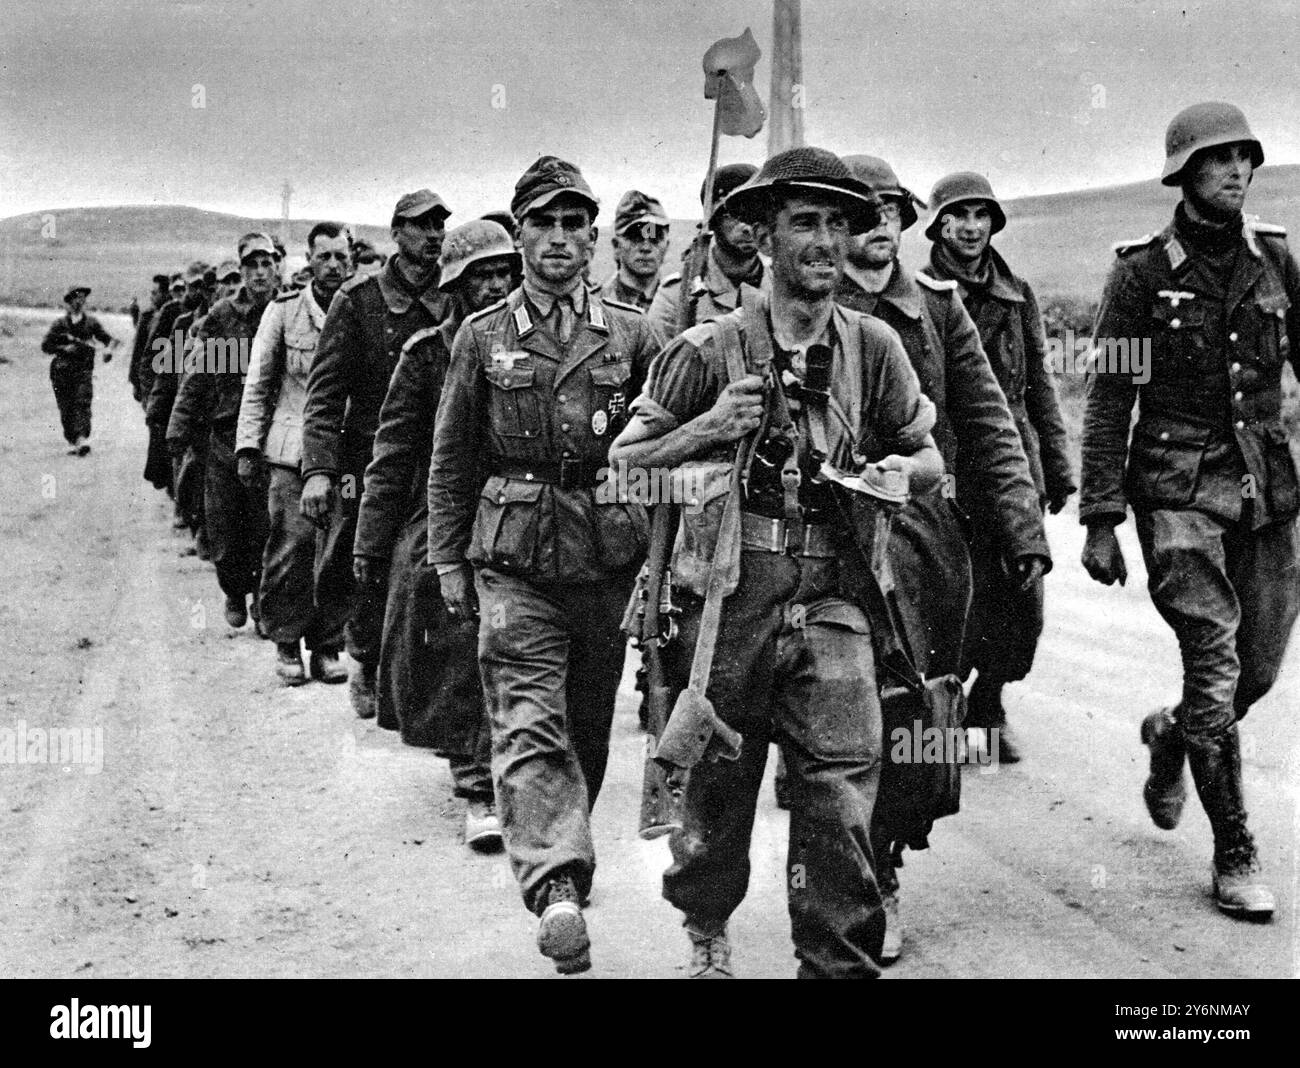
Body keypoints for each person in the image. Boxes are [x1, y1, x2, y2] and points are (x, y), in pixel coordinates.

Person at [611, 147, 943, 978]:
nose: (828, 240)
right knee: (718, 795)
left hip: (835, 594)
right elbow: (625, 468)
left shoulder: (872, 348)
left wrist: (907, 474)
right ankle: (706, 922)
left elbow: (928, 454)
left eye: (841, 222)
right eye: (807, 221)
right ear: (763, 238)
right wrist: (712, 426)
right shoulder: (705, 349)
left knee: (839, 788)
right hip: (726, 598)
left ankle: (833, 963)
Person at [428, 157, 661, 972]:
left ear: (593, 237)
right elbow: (451, 458)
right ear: (519, 233)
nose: (559, 240)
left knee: (587, 726)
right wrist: (449, 563)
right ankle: (556, 884)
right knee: (528, 720)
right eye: (543, 224)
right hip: (513, 560)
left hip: (606, 556)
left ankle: (567, 844)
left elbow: (668, 447)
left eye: (573, 225)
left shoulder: (634, 333)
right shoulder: (482, 336)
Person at [1081, 102, 1300, 919]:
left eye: (1245, 158)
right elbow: (1107, 398)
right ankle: (1235, 849)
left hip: (1267, 491)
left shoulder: (1274, 257)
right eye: (1218, 161)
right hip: (1176, 491)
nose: (1236, 172)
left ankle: (1174, 733)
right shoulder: (1141, 273)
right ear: (1185, 174)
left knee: (1260, 670)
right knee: (1215, 663)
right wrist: (1101, 517)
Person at [835, 154, 1048, 962]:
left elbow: (992, 425)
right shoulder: (802, 308)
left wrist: (1022, 530)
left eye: (891, 209)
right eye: (861, 212)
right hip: (826, 548)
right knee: (839, 721)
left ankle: (882, 866)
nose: (880, 224)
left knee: (908, 716)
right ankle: (841, 868)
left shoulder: (938, 310)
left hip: (922, 550)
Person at [356, 219, 519, 851]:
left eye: (503, 273)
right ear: (454, 285)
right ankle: (477, 782)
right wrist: (371, 541)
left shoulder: (528, 344)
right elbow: (392, 454)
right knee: (452, 633)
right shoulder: (426, 354)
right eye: (480, 275)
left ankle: (516, 767)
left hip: (519, 509)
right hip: (444, 512)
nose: (494, 286)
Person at [922, 172, 1076, 761]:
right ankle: (949, 709)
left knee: (1021, 603)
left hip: (1011, 468)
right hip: (947, 462)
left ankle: (991, 696)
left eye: (981, 215)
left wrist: (1057, 469)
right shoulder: (921, 294)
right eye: (958, 216)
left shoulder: (1018, 294)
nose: (970, 227)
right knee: (954, 595)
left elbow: (1039, 383)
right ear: (937, 225)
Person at [301, 190, 453, 718]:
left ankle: (412, 679)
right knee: (362, 560)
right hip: (367, 460)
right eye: (420, 225)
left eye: (439, 225)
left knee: (426, 569)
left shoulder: (453, 294)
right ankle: (362, 655)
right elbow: (322, 396)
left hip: (436, 457)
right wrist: (319, 470)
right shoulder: (358, 300)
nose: (433, 234)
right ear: (396, 232)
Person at [236, 222, 354, 686]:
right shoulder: (284, 312)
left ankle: (327, 645)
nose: (331, 266)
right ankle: (286, 641)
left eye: (340, 257)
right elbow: (259, 383)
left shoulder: (359, 307)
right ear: (308, 260)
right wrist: (248, 445)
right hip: (290, 450)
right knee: (292, 545)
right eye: (322, 256)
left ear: (350, 258)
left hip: (345, 452)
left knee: (338, 549)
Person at [167, 233, 278, 628]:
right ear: (242, 269)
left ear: (277, 266)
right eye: (252, 265)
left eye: (267, 264)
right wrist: (178, 425)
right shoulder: (223, 316)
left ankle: (265, 604)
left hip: (272, 436)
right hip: (226, 436)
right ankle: (233, 588)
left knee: (268, 526)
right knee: (225, 526)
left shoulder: (286, 310)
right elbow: (198, 375)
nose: (260, 273)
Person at [647, 163, 763, 338]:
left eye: (755, 214)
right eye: (734, 215)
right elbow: (658, 363)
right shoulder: (676, 294)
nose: (747, 227)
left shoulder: (783, 285)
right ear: (713, 222)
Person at [41, 286, 115, 455]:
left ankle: (82, 439)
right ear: (68, 302)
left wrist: (108, 351)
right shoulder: (59, 325)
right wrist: (63, 349)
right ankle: (74, 440)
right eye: (75, 298)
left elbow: (108, 340)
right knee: (66, 408)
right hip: (61, 372)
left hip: (83, 371)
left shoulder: (92, 323)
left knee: (82, 403)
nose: (79, 301)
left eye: (82, 298)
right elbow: (46, 346)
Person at [599, 190, 670, 310]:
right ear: (616, 246)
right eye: (635, 237)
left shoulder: (679, 304)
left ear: (666, 246)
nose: (646, 248)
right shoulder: (596, 303)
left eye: (655, 238)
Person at [129, 274, 171, 404]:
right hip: (149, 380)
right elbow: (138, 350)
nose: (151, 297)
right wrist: (135, 382)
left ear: (165, 294)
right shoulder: (147, 316)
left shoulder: (174, 315)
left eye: (155, 293)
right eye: (151, 292)